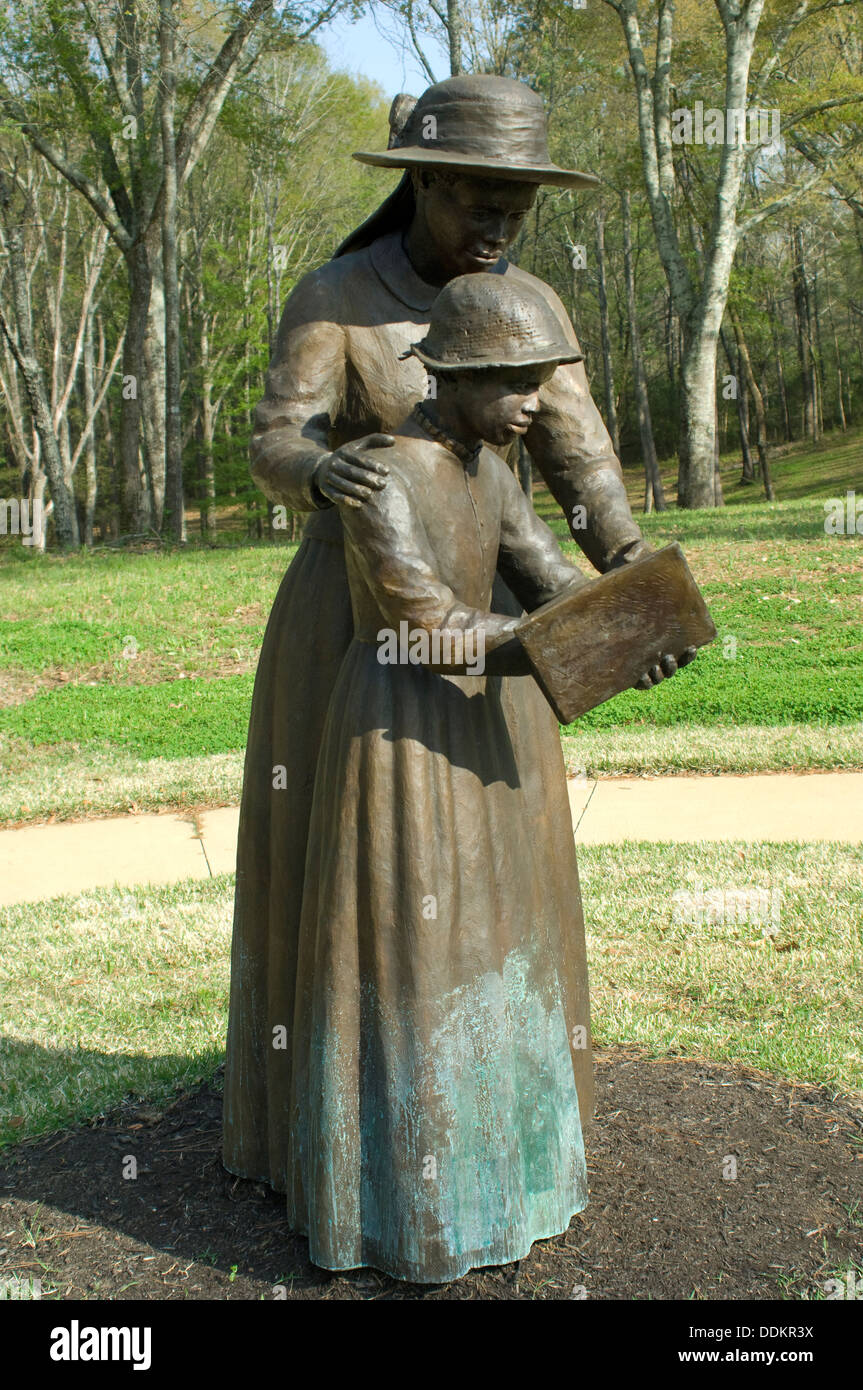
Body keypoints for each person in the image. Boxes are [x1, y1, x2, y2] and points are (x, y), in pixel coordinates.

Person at [223, 75, 689, 1197]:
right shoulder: (337, 294)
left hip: (490, 620)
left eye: (516, 208)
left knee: (493, 877)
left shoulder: (523, 306)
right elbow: (273, 438)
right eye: (479, 201)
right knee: (352, 888)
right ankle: (331, 1125)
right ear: (423, 181)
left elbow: (574, 469)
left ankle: (495, 1109)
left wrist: (629, 584)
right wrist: (319, 472)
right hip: (350, 620)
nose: (498, 227)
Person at [290, 274, 596, 1283]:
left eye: (540, 385)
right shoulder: (380, 475)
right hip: (398, 731)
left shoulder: (492, 466)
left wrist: (625, 613)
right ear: (458, 376)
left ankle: (506, 1175)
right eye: (515, 385)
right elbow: (417, 625)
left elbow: (543, 568)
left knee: (492, 940)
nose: (532, 406)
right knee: (414, 957)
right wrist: (552, 639)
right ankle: (407, 1205)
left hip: (480, 719)